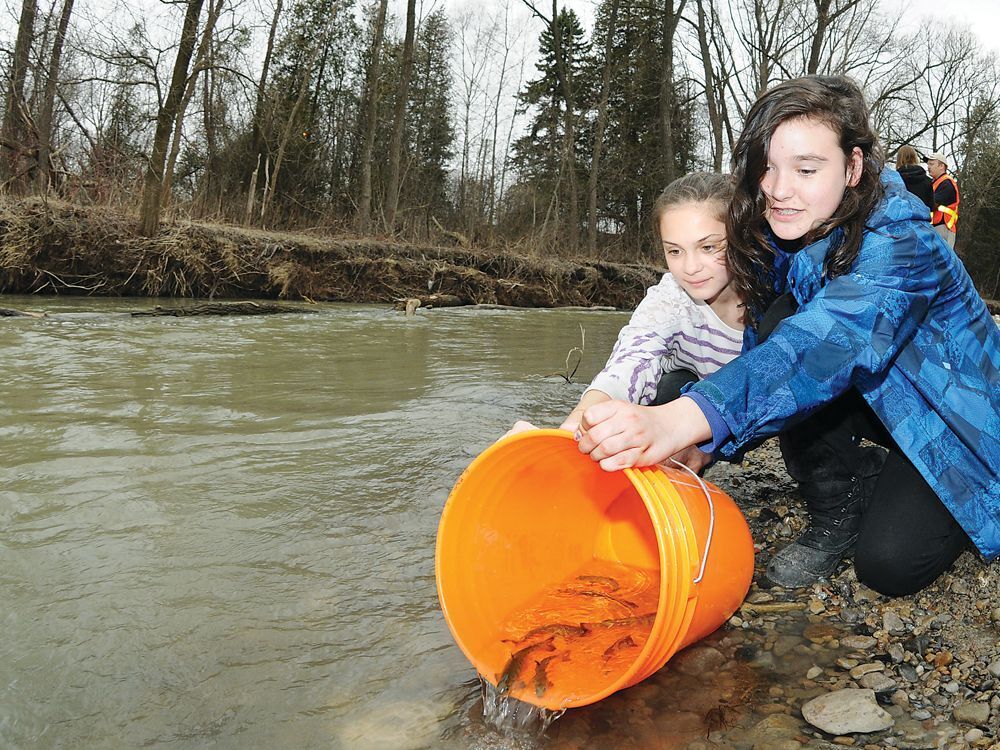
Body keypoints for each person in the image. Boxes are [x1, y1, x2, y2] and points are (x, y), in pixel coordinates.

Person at [575, 75, 1000, 597]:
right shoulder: (785, 230)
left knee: (889, 567)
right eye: (769, 168)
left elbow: (825, 344)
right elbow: (771, 342)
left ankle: (928, 484)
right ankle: (843, 494)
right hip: (876, 398)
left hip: (955, 418)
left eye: (806, 169)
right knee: (776, 317)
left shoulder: (902, 242)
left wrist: (682, 420)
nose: (778, 189)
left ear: (854, 167)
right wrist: (708, 445)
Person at [509, 173, 744, 474]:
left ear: (740, 236)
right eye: (674, 251)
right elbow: (632, 359)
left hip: (751, 411)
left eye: (709, 247)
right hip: (691, 415)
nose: (690, 267)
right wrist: (580, 422)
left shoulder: (778, 298)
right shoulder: (670, 298)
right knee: (668, 385)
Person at [927, 150, 959, 248]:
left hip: (944, 227)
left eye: (932, 164)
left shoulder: (947, 183)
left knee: (942, 261)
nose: (928, 167)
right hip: (936, 227)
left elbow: (931, 204)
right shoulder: (935, 183)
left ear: (941, 166)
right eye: (928, 164)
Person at [893, 145, 933, 212]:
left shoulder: (894, 181)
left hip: (900, 220)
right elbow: (931, 206)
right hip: (922, 220)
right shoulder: (928, 181)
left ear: (899, 159)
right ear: (915, 158)